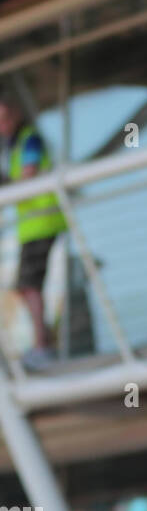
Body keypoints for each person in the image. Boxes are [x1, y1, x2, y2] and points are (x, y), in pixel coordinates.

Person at [0, 97, 66, 367]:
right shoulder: (16, 145)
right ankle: (45, 341)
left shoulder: (29, 140)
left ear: (15, 115)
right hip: (32, 225)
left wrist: (5, 181)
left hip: (42, 221)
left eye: (3, 118)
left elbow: (28, 175)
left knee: (29, 285)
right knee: (26, 286)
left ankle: (42, 346)